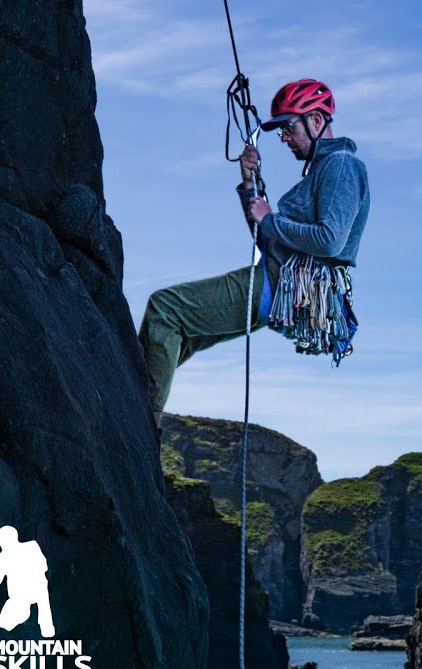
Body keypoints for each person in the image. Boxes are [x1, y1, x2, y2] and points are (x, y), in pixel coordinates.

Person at [138, 79, 370, 432]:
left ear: (317, 121)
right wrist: (248, 184)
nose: (284, 137)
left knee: (164, 309)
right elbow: (267, 240)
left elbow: (330, 241)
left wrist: (270, 218)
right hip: (280, 286)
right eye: (280, 130)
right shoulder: (323, 169)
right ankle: (134, 403)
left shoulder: (340, 166)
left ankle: (141, 428)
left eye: (289, 127)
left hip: (277, 285)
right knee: (179, 333)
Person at [0, 526, 55, 638]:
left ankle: (44, 624)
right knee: (4, 623)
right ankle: (40, 622)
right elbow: (44, 566)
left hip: (26, 594)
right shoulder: (31, 546)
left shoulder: (5, 557)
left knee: (4, 623)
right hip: (29, 594)